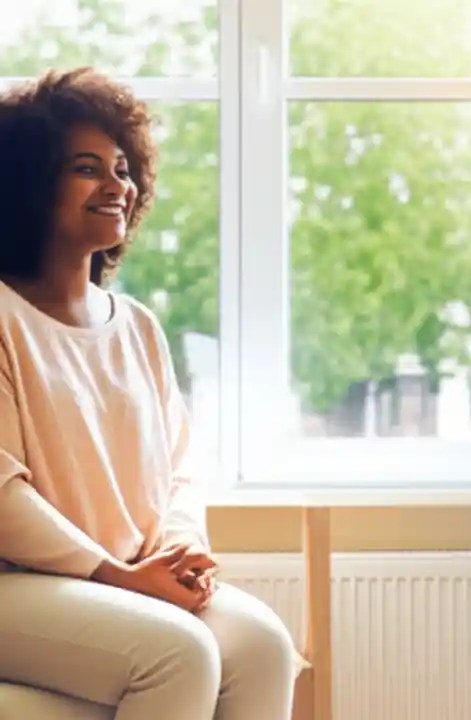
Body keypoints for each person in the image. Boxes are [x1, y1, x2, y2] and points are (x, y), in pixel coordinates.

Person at [0, 68, 297, 719]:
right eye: (87, 168)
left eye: (124, 168)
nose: (118, 186)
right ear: (28, 182)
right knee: (179, 654)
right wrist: (116, 575)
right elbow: (3, 494)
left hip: (127, 575)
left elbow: (180, 467)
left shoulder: (135, 325)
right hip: (17, 585)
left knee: (263, 646)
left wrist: (176, 551)